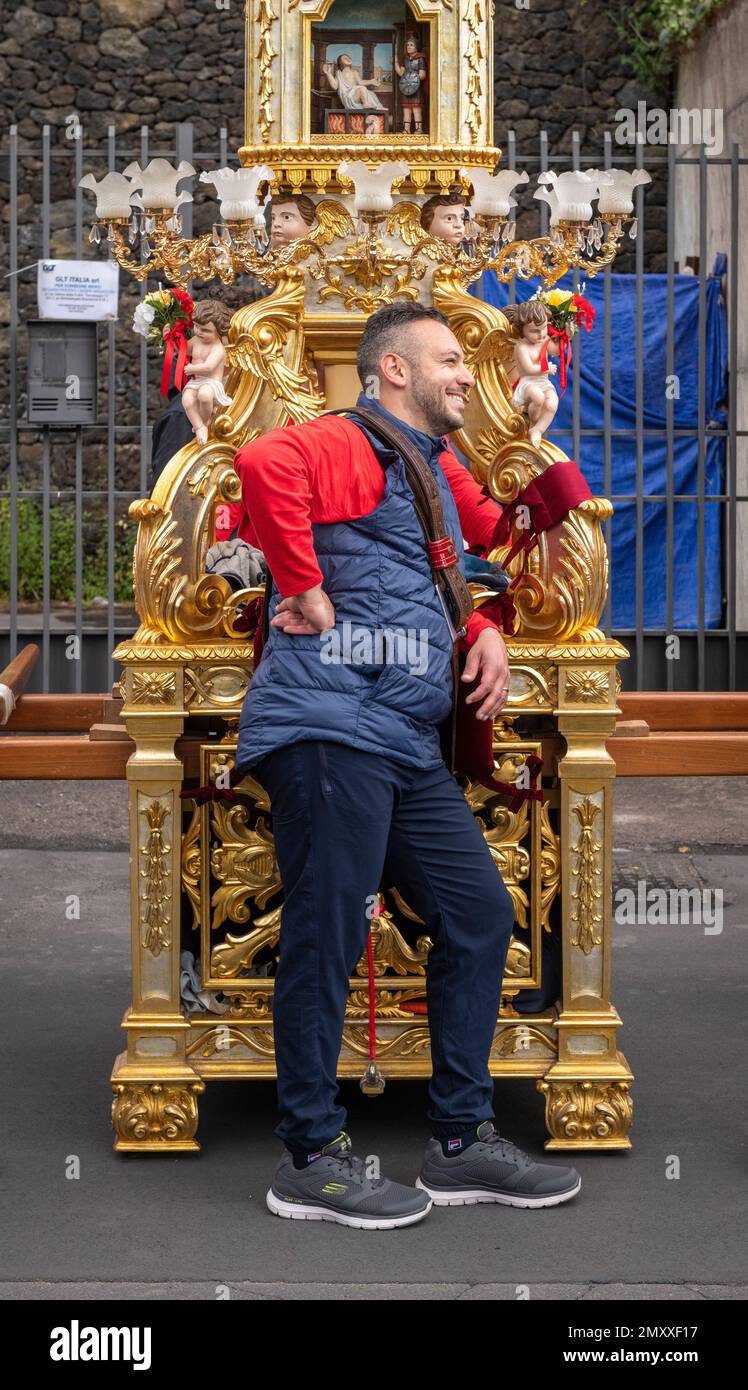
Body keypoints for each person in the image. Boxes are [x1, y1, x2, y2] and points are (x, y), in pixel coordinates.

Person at [232, 302, 582, 1229]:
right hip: (332, 725)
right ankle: (309, 1155)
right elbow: (262, 464)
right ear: (393, 370)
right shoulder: (349, 437)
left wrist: (480, 628)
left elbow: (460, 561)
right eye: (450, 359)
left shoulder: (425, 465)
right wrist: (300, 586)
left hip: (399, 738)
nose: (468, 375)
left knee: (478, 912)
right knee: (328, 933)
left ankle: (460, 1141)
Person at [181, 299, 233, 446]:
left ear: (219, 332)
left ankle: (206, 421)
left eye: (205, 330)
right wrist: (170, 338)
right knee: (187, 400)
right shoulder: (196, 339)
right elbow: (185, 348)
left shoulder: (217, 348)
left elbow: (209, 367)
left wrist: (192, 369)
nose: (198, 332)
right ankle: (199, 426)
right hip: (196, 381)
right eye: (196, 326)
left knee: (204, 395)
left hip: (211, 382)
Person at [322, 54, 386, 111]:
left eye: (348, 57)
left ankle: (374, 106)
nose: (348, 58)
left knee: (370, 93)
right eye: (345, 58)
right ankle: (365, 104)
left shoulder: (354, 72)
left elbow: (361, 82)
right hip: (348, 97)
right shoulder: (339, 73)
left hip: (355, 95)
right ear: (340, 63)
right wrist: (328, 74)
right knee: (362, 88)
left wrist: (371, 81)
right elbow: (335, 86)